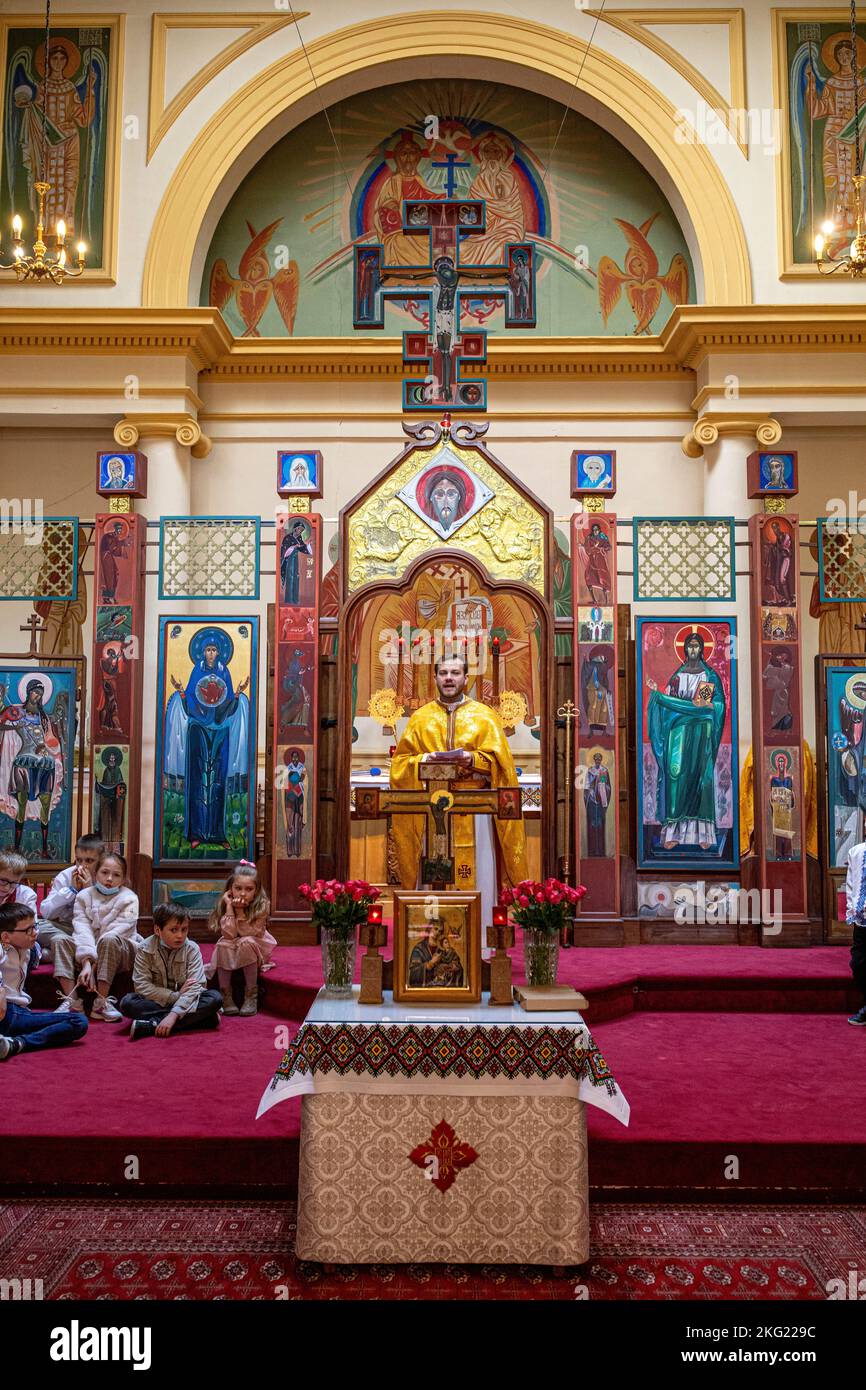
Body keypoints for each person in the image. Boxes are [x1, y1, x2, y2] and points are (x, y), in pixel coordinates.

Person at [390, 654, 527, 934]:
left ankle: (479, 944)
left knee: (478, 874)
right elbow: (400, 765)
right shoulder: (420, 719)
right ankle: (428, 943)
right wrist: (424, 760)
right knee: (434, 872)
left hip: (475, 812)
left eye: (455, 673)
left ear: (466, 678)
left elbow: (501, 767)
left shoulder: (484, 717)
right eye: (443, 673)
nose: (449, 678)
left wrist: (472, 760)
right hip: (433, 812)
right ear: (435, 678)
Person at [53, 851, 141, 1022]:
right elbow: (81, 929)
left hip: (120, 949)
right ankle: (72, 1002)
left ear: (123, 879)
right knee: (59, 939)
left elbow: (117, 932)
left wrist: (92, 967)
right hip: (89, 949)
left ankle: (101, 1002)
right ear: (95, 874)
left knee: (108, 940)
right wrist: (86, 961)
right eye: (104, 872)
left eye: (116, 875)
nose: (109, 879)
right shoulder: (83, 896)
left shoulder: (130, 898)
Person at [120, 902, 221, 1041]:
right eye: (174, 930)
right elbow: (142, 986)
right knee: (128, 1003)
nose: (180, 935)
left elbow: (197, 986)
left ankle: (152, 1024)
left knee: (214, 998)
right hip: (158, 1001)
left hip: (187, 1001)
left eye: (184, 929)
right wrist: (176, 996)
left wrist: (173, 1016)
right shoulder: (144, 949)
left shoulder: (192, 949)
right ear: (158, 930)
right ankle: (203, 1020)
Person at [0, 902, 88, 1059]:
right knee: (78, 1020)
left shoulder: (30, 950)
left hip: (20, 1013)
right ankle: (18, 1043)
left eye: (35, 927)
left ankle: (13, 1043)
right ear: (5, 936)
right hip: (7, 1012)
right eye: (28, 930)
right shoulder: (2, 949)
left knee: (77, 1022)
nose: (35, 933)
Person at [206, 861, 275, 1017]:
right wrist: (230, 908)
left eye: (249, 889)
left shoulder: (262, 905)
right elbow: (229, 935)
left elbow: (248, 933)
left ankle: (251, 995)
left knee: (246, 942)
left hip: (256, 945)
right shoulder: (227, 903)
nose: (243, 893)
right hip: (233, 945)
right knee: (223, 943)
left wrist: (241, 913)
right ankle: (226, 995)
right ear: (230, 889)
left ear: (256, 891)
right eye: (238, 888)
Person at [37, 832, 103, 961]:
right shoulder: (66, 876)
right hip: (66, 929)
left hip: (93, 932)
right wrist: (71, 890)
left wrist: (89, 890)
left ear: (101, 860)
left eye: (89, 860)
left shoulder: (107, 877)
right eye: (79, 860)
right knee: (37, 926)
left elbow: (101, 921)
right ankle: (72, 949)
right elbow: (46, 913)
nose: (82, 866)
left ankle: (61, 951)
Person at [844, 837, 866, 1026]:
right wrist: (852, 910)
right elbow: (851, 883)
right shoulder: (856, 852)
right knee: (858, 963)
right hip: (862, 919)